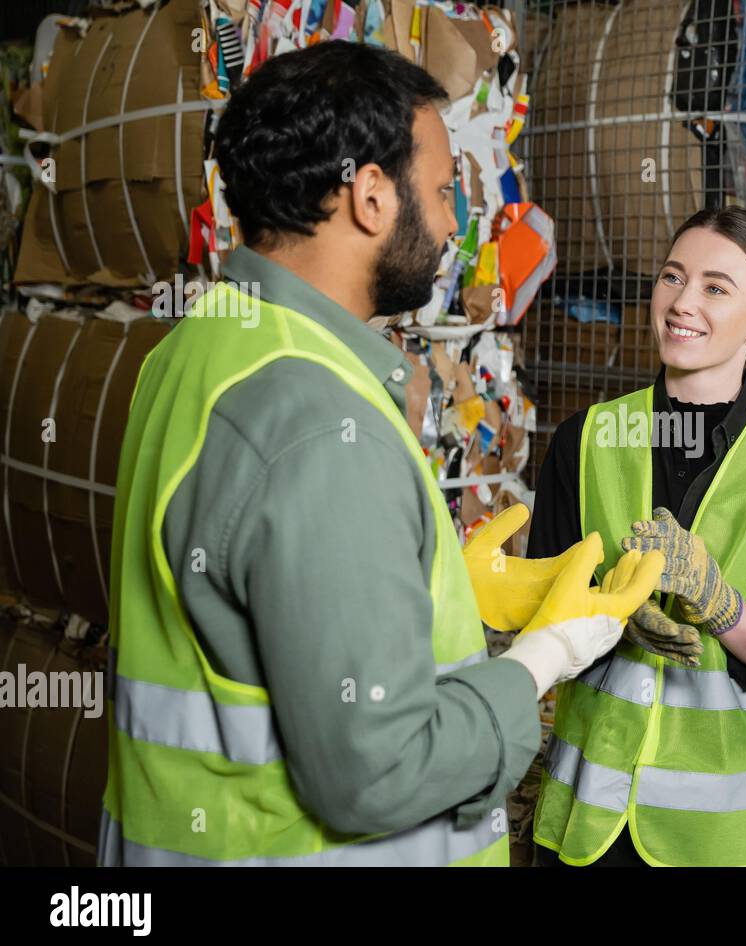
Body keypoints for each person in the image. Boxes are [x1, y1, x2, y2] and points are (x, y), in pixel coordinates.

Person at [100, 41, 661, 867]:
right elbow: (380, 773)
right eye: (439, 193)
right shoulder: (320, 420)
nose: (449, 225)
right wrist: (546, 656)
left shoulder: (201, 348)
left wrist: (427, 596)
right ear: (368, 196)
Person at [527, 205, 746, 866]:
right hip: (590, 827)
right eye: (672, 278)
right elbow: (542, 622)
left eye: (715, 288)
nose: (681, 302)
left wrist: (723, 609)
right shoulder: (581, 443)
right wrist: (608, 614)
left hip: (731, 839)